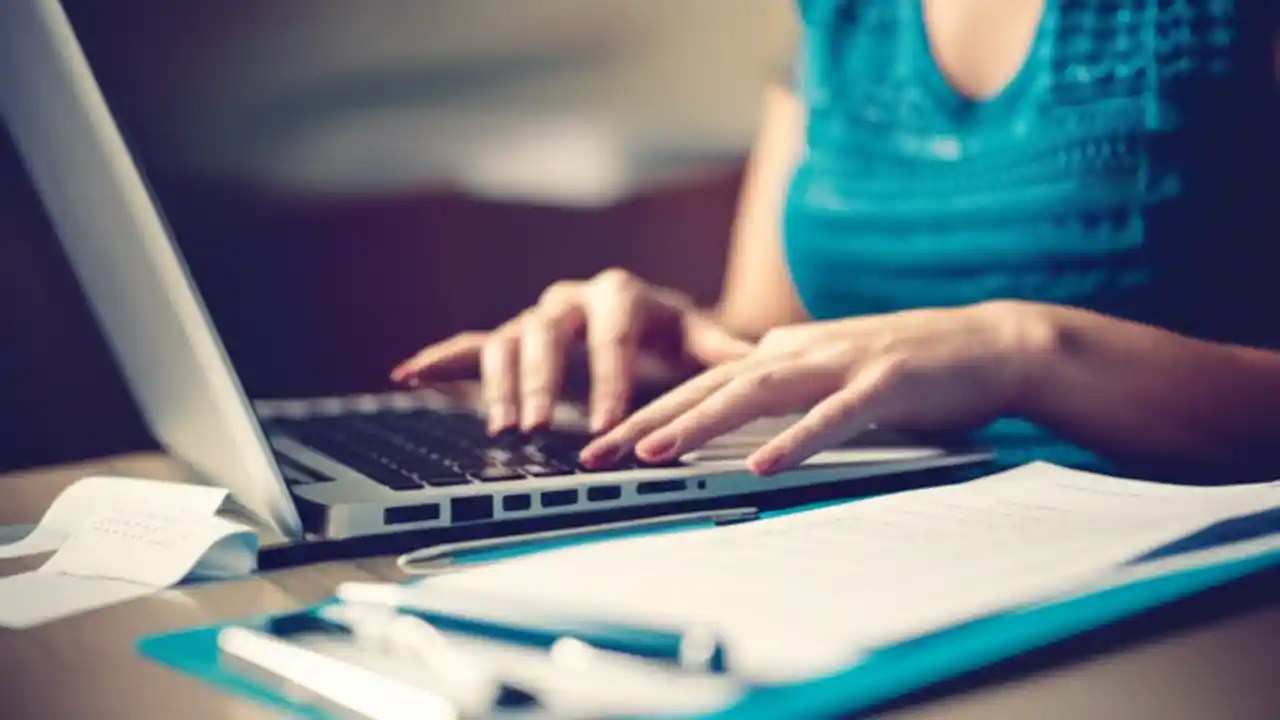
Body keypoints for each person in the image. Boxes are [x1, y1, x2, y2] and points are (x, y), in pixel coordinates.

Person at [392, 0, 1280, 481]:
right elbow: (768, 330)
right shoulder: (842, 17)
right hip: (880, 544)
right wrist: (662, 353)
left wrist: (1029, 351)